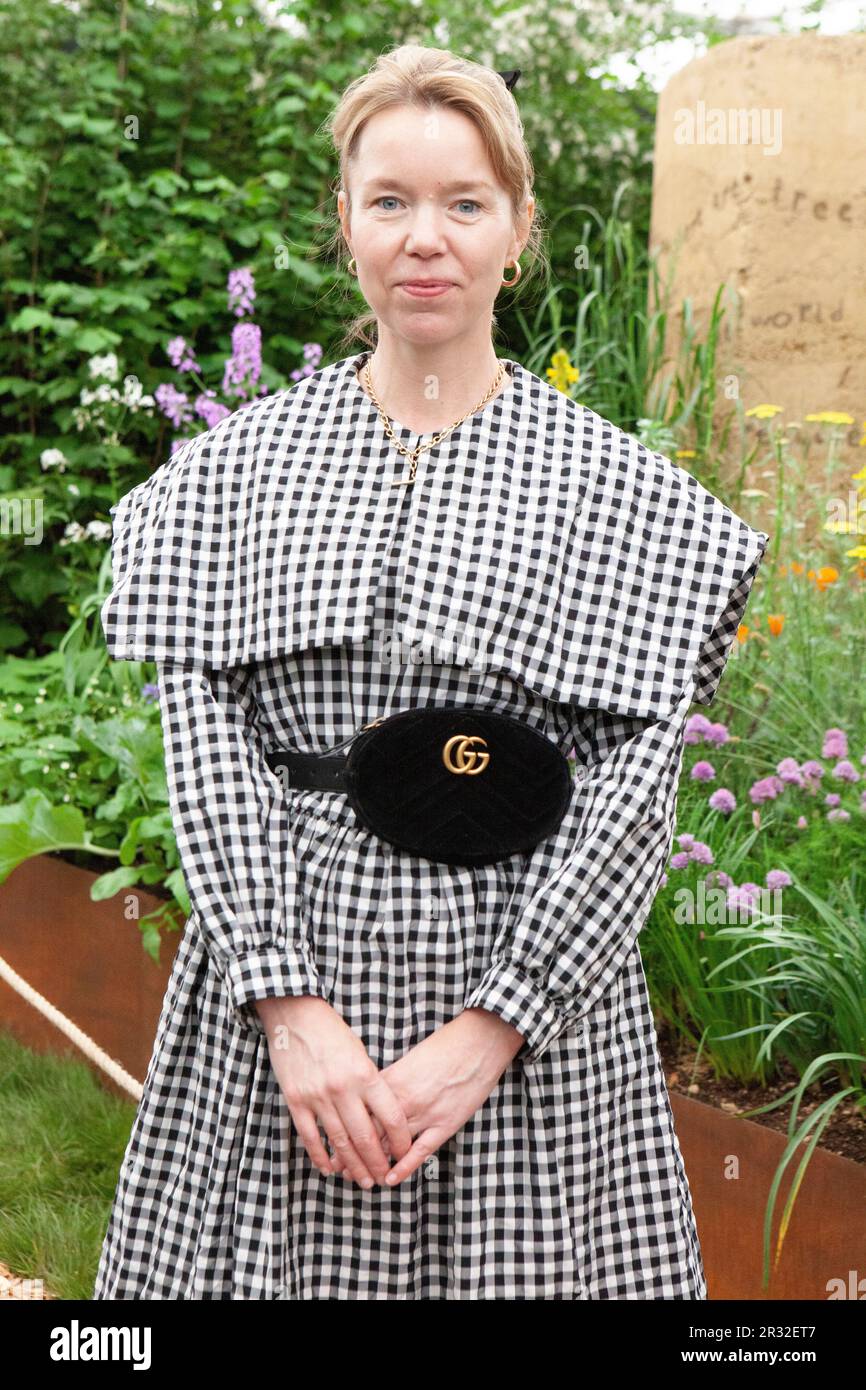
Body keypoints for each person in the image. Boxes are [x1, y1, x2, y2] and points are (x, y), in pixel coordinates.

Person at [93, 44, 768, 1300]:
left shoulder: (624, 497)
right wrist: (290, 1016)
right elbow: (205, 742)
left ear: (517, 229)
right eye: (389, 200)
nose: (425, 238)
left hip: (526, 1020)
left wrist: (490, 1028)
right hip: (283, 1012)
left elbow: (629, 785)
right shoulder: (229, 480)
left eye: (463, 203)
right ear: (342, 220)